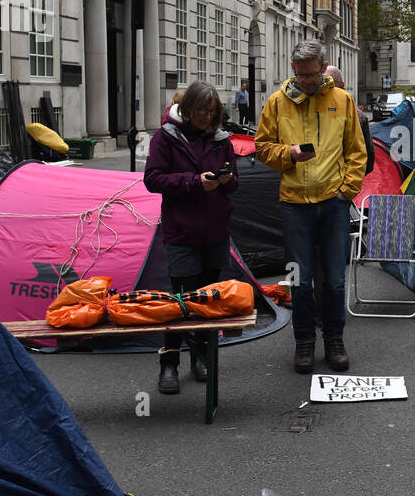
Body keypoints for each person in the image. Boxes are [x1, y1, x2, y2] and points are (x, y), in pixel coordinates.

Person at [256, 41, 366, 374]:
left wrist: (347, 192)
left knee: (333, 280)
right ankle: (304, 342)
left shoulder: (342, 101)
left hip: (333, 204)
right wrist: (288, 154)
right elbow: (262, 148)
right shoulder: (276, 103)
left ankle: (334, 339)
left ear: (323, 67)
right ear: (293, 68)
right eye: (300, 75)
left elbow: (356, 151)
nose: (306, 81)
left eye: (312, 74)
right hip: (294, 204)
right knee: (300, 281)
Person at [143, 81, 239, 394]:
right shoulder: (165, 136)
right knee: (181, 300)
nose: (206, 116)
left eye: (212, 112)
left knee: (207, 300)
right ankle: (169, 364)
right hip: (182, 231)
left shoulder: (222, 139)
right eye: (201, 110)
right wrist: (193, 182)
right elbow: (153, 179)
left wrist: (225, 179)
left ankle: (202, 358)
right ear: (187, 108)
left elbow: (234, 182)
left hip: (215, 230)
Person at [325, 64, 374, 173]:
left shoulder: (310, 112)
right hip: (346, 183)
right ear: (342, 85)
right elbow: (368, 158)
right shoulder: (359, 116)